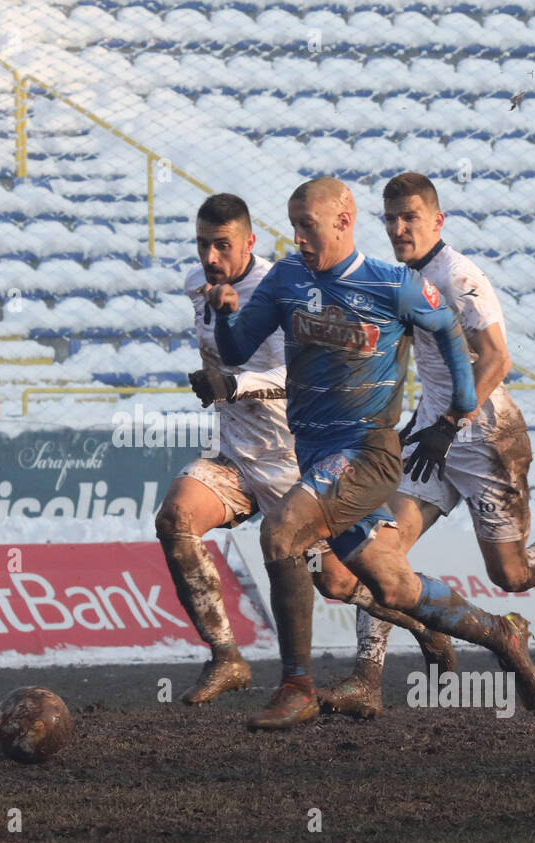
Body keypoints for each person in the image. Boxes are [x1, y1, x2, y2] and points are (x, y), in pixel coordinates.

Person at [315, 172, 535, 718]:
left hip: (484, 438)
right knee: (372, 557)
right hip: (433, 437)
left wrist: (450, 421)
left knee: (512, 576)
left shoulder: (458, 276)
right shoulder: (402, 277)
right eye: (390, 219)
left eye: (410, 217)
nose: (399, 228)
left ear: (437, 220)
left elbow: (498, 358)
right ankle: (369, 677)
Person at [210, 177, 535, 731]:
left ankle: (297, 688)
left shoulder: (392, 284)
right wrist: (224, 312)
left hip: (366, 453)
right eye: (292, 227)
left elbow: (447, 331)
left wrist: (459, 405)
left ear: (344, 220)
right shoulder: (288, 280)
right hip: (315, 455)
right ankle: (499, 632)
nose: (298, 238)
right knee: (391, 586)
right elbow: (238, 351)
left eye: (307, 226)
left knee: (282, 533)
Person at [158, 193, 419, 706]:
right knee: (174, 519)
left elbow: (291, 374)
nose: (210, 259)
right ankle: (227, 657)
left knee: (342, 584)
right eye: (202, 246)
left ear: (250, 243)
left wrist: (234, 387)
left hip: (295, 459)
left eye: (222, 246)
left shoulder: (281, 289)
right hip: (235, 457)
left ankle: (413, 624)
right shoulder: (198, 285)